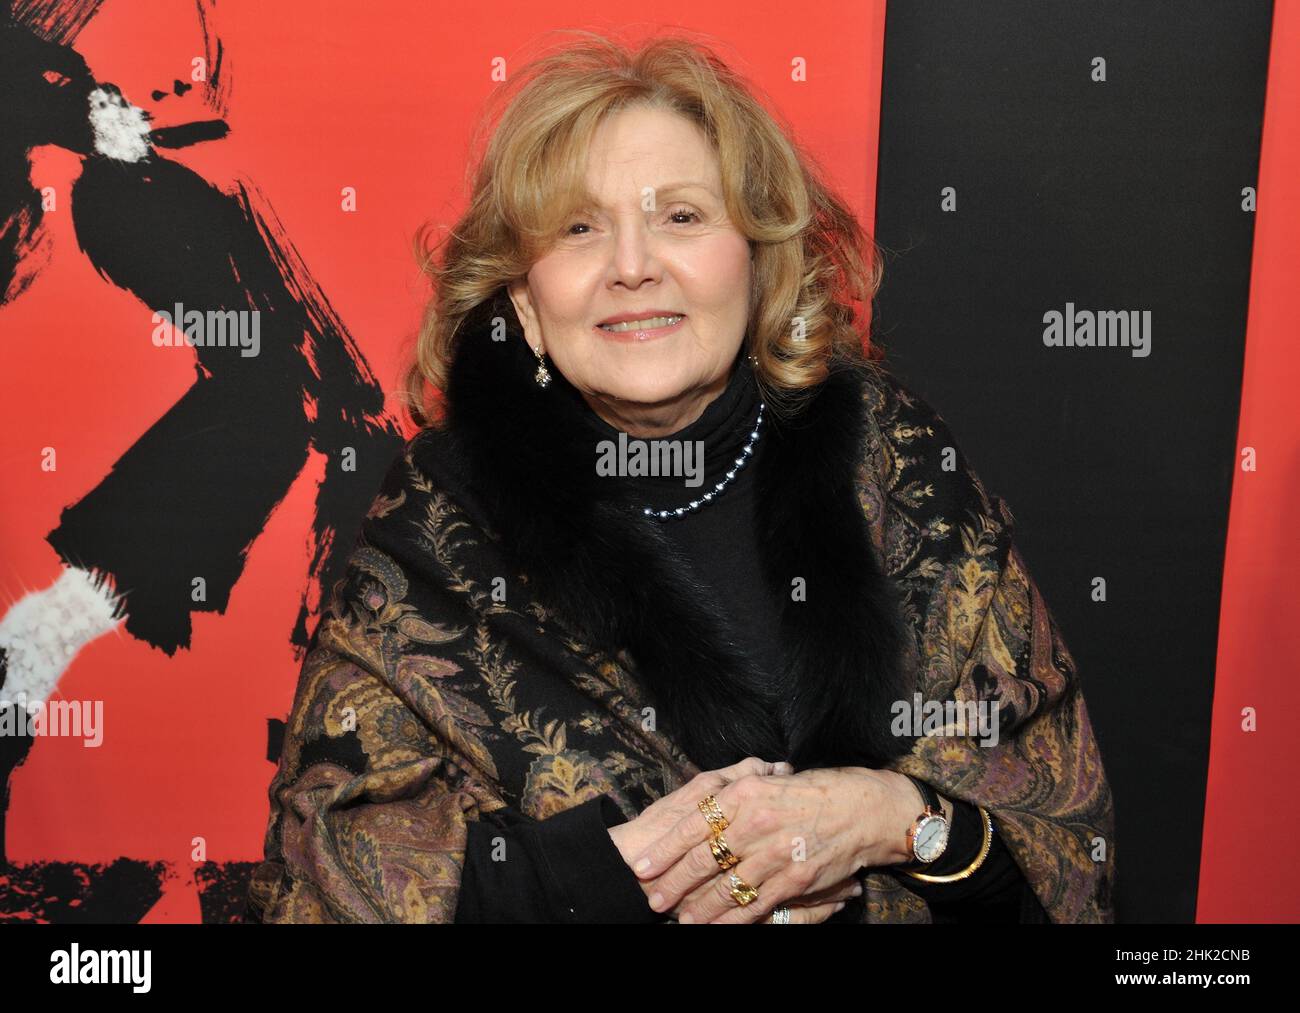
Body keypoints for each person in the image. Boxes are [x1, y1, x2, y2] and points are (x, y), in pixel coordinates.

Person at [247, 31, 1115, 924]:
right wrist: (638, 867)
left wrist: (895, 820)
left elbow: (1060, 847)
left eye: (682, 217)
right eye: (580, 228)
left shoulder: (891, 458)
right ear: (525, 306)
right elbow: (317, 882)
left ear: (760, 258)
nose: (632, 265)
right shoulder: (437, 518)